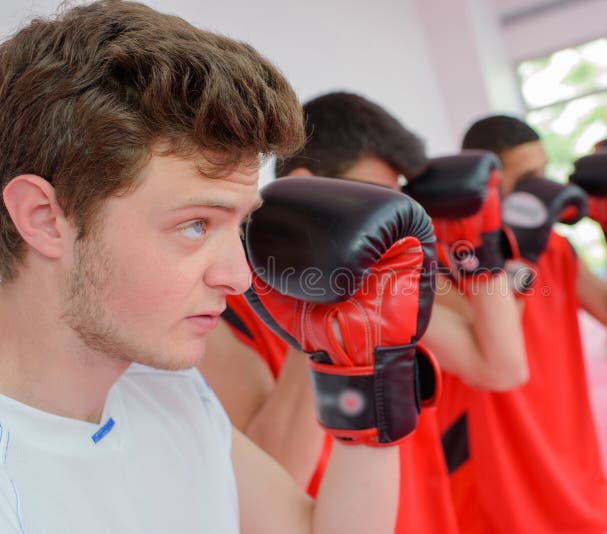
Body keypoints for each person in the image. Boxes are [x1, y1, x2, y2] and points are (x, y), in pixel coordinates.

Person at [0, 2, 431, 532]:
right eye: (197, 224)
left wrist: (363, 379)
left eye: (239, 226)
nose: (240, 276)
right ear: (44, 219)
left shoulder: (168, 391)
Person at [199, 91, 528, 534]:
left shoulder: (389, 284)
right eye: (374, 196)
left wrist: (482, 249)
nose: (384, 218)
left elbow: (501, 368)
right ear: (305, 188)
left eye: (395, 202)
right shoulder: (223, 308)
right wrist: (322, 335)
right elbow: (270, 480)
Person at [434, 114, 607, 533]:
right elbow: (493, 342)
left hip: (577, 477)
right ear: (488, 186)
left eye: (543, 172)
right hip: (502, 497)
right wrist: (521, 257)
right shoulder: (447, 259)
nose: (543, 188)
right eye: (526, 178)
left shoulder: (554, 246)